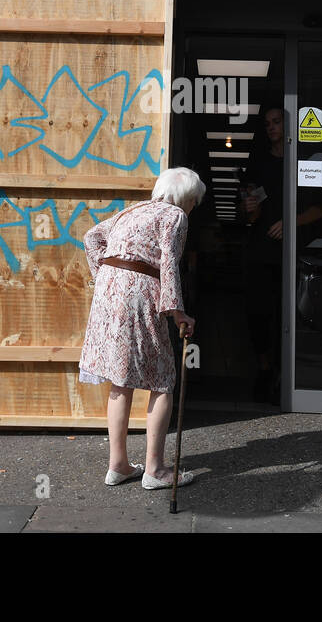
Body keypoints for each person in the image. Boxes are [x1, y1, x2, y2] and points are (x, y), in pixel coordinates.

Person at [79, 166, 206, 489]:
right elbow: (168, 265)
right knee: (163, 379)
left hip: (109, 293)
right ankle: (155, 470)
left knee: (121, 377)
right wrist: (178, 314)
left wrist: (106, 277)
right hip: (138, 291)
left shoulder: (131, 211)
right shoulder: (175, 216)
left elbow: (91, 237)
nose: (193, 208)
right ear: (187, 197)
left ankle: (118, 465)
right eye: (194, 202)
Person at [241, 106, 322, 402]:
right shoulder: (259, 163)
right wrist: (251, 211)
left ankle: (286, 375)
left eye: (277, 122)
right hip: (261, 252)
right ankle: (266, 370)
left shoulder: (306, 161)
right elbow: (249, 210)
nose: (272, 127)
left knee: (291, 314)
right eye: (267, 123)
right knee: (258, 314)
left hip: (296, 254)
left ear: (290, 126)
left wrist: (292, 223)